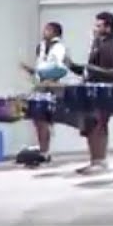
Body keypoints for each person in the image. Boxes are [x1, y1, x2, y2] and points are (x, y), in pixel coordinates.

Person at [65, 12, 113, 175]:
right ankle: (95, 159)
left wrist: (90, 69)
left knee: (99, 124)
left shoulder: (111, 45)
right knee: (92, 125)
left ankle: (100, 160)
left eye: (99, 26)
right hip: (92, 89)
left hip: (104, 90)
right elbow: (88, 70)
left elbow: (110, 72)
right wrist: (72, 65)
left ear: (108, 28)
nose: (95, 29)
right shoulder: (98, 43)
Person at [16, 22, 69, 168]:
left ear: (54, 32)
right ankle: (42, 149)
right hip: (40, 86)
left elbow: (58, 68)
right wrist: (31, 71)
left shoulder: (59, 48)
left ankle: (45, 151)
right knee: (37, 120)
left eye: (47, 29)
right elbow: (41, 68)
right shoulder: (42, 47)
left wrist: (48, 79)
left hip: (52, 87)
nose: (44, 32)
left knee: (44, 120)